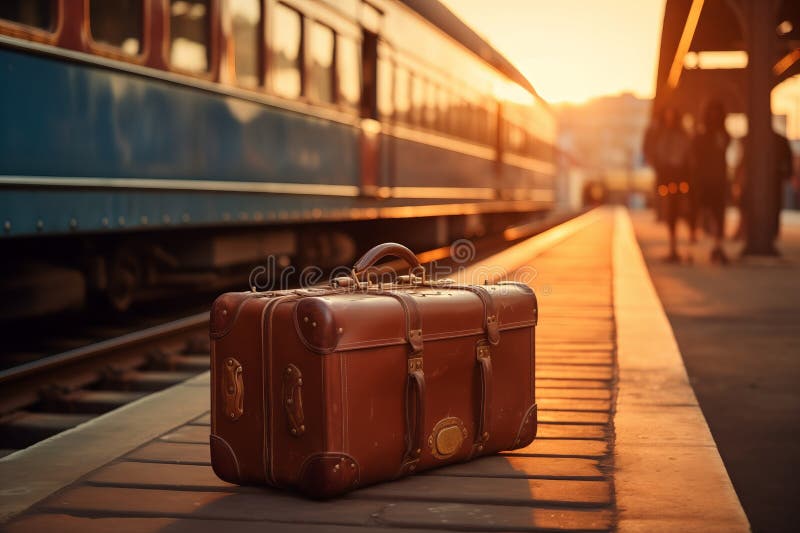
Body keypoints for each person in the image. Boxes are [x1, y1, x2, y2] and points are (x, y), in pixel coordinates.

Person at [646, 106, 692, 262]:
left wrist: (686, 177)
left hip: (680, 177)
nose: (669, 119)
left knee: (680, 210)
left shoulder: (682, 135)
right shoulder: (659, 134)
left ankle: (683, 245)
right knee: (669, 212)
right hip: (666, 177)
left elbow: (688, 158)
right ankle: (673, 247)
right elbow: (652, 153)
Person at [735, 130, 794, 250]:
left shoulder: (777, 141)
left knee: (771, 205)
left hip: (772, 179)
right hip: (761, 179)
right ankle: (750, 230)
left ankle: (766, 233)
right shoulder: (770, 141)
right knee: (750, 204)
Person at [690, 100, 730, 264]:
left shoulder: (723, 135)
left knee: (718, 213)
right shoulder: (700, 136)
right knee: (699, 211)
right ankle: (693, 245)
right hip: (703, 179)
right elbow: (694, 157)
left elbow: (723, 149)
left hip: (718, 179)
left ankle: (717, 246)